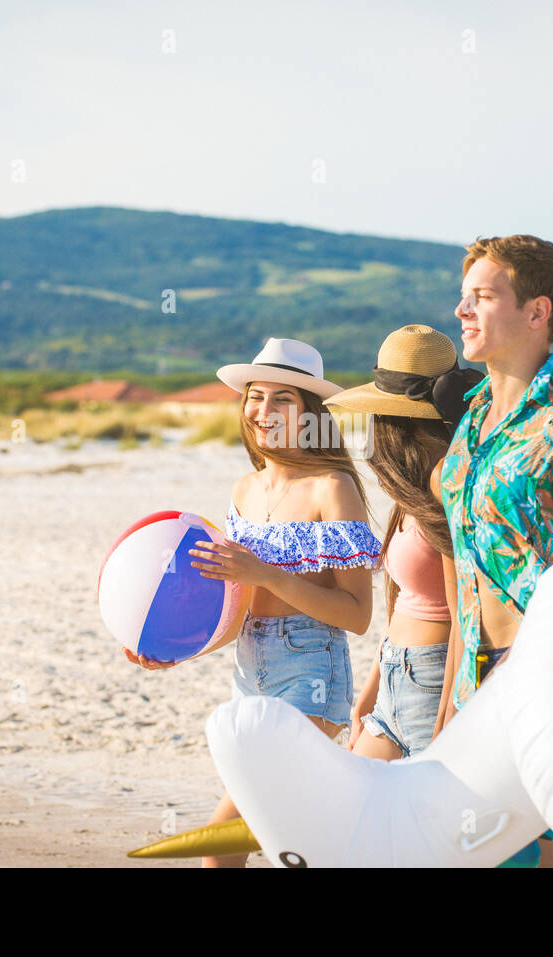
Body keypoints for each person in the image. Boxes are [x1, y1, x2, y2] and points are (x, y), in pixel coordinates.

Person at [125, 337, 379, 868]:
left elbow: (357, 616)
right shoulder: (245, 489)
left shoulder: (333, 489)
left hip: (310, 670)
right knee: (283, 840)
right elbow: (236, 603)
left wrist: (267, 572)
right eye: (255, 397)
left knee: (227, 841)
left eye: (282, 399)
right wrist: (176, 649)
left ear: (311, 414)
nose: (263, 411)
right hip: (248, 674)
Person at [436, 235, 553, 868]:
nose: (462, 311)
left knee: (524, 859)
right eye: (463, 296)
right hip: (472, 680)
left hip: (539, 682)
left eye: (481, 296)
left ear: (538, 312)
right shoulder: (469, 420)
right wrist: (450, 697)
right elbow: (463, 568)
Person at [323, 325, 482, 760]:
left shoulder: (445, 481)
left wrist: (452, 717)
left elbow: (465, 618)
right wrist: (372, 689)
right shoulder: (410, 487)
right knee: (353, 814)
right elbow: (401, 602)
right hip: (396, 670)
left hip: (433, 680)